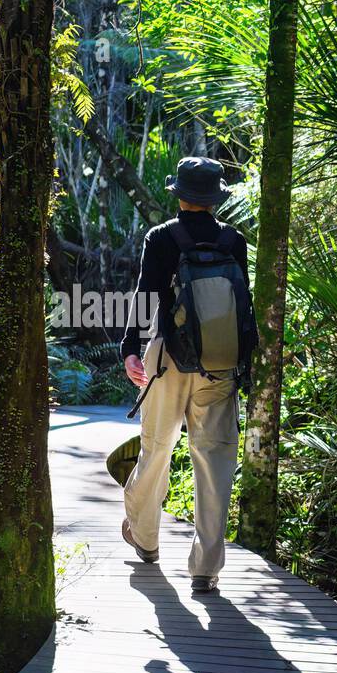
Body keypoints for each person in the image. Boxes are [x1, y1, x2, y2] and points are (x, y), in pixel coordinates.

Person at [118, 157, 252, 594]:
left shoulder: (162, 238)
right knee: (214, 461)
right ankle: (205, 568)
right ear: (215, 199)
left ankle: (146, 538)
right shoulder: (235, 241)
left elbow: (145, 296)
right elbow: (243, 309)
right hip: (220, 364)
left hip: (168, 361)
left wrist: (131, 350)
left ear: (178, 194)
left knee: (157, 447)